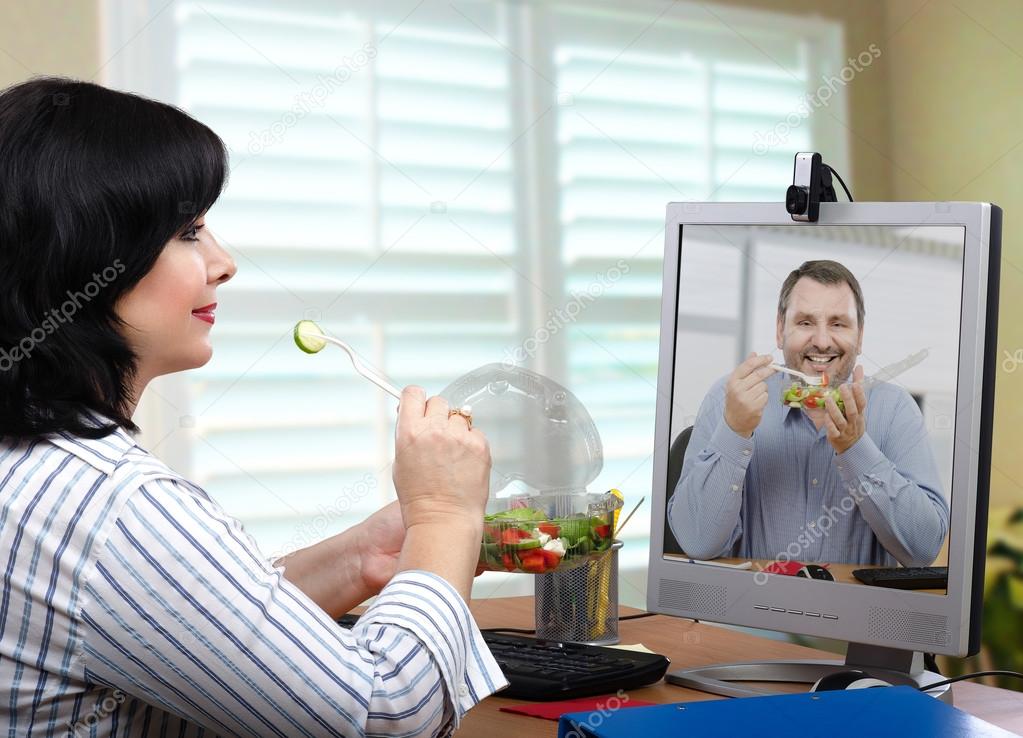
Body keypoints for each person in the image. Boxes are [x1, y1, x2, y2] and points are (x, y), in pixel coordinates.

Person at [0, 77, 506, 736]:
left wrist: (361, 559)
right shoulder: (115, 508)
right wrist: (444, 515)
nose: (223, 263)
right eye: (188, 232)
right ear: (86, 255)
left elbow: (177, 624)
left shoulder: (37, 470)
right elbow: (384, 718)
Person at [669, 260, 948, 567]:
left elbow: (923, 550)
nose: (822, 341)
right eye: (805, 323)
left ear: (860, 335)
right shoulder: (728, 397)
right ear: (780, 330)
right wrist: (734, 431)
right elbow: (696, 542)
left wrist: (857, 449)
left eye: (838, 324)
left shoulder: (895, 410)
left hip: (854, 612)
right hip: (748, 610)